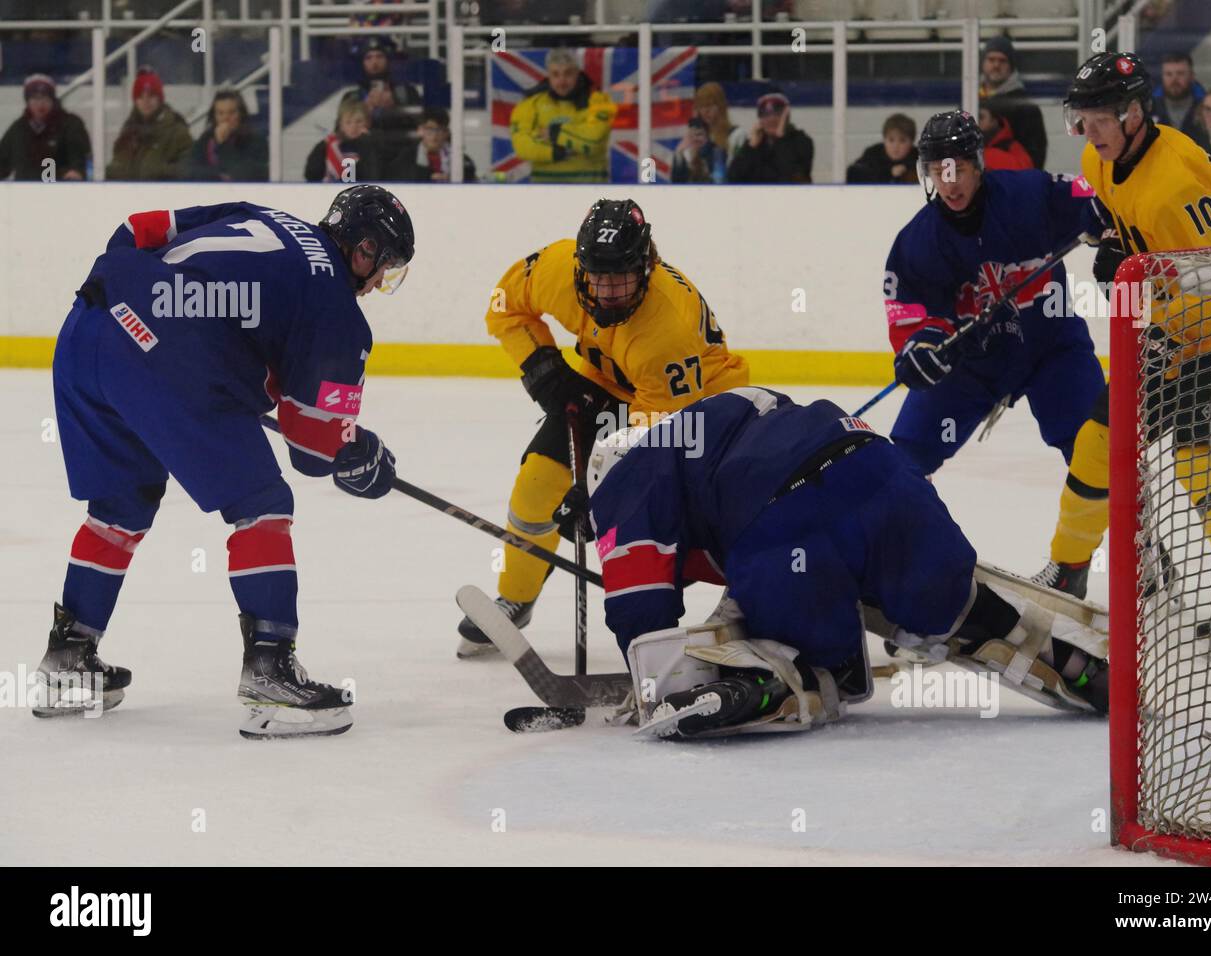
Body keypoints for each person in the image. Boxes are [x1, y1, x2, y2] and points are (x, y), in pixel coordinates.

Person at [38, 185, 415, 738]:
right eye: (385, 267)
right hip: (165, 357)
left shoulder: (262, 214)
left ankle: (67, 661)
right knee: (262, 504)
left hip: (87, 328)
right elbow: (311, 452)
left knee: (121, 503)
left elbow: (139, 228)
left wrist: (140, 309)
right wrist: (357, 454)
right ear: (363, 250)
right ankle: (271, 671)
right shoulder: (336, 306)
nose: (380, 282)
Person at [579, 388, 1109, 739]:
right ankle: (1079, 664)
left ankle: (766, 682)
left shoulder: (628, 478)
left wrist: (648, 678)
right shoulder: (724, 412)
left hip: (790, 525)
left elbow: (638, 603)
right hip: (884, 470)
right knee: (950, 606)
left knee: (815, 661)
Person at [1035, 53, 1211, 641]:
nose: (1087, 132)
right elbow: (1126, 226)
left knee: (1203, 461)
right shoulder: (1100, 161)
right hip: (1174, 332)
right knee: (1098, 442)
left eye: (1097, 119)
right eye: (1081, 119)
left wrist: (1138, 281)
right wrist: (1114, 242)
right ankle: (1069, 570)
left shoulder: (1175, 183)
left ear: (1132, 113)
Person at [455, 199, 750, 658]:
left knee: (677, 518)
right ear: (579, 267)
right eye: (598, 277)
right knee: (536, 485)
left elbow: (657, 440)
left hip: (696, 411)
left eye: (622, 278)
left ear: (647, 268)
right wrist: (540, 363)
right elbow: (503, 304)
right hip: (609, 385)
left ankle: (747, 598)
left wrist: (598, 494)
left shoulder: (665, 329)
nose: (608, 291)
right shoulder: (556, 268)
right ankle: (517, 595)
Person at [884, 110, 1106, 482]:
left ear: (978, 165)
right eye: (940, 172)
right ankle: (897, 539)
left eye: (958, 169)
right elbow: (911, 312)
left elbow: (1092, 194)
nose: (950, 184)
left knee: (1096, 448)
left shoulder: (1029, 196)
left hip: (1052, 350)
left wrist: (1103, 210)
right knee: (904, 460)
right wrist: (920, 348)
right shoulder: (919, 243)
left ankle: (1139, 537)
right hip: (968, 361)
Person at [508, 48, 614, 183]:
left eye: (568, 74)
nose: (562, 81)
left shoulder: (599, 101)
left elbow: (594, 141)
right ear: (548, 76)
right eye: (555, 74)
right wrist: (559, 152)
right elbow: (522, 147)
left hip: (591, 188)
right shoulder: (530, 104)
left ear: (578, 73)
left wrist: (554, 133)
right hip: (544, 191)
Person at [352, 36, 422, 179]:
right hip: (365, 162)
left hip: (401, 157)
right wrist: (364, 112)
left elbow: (420, 127)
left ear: (388, 60)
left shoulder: (407, 92)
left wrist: (394, 108)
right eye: (369, 58)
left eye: (379, 56)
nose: (374, 62)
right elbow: (342, 133)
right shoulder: (353, 96)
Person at [106, 68, 193, 181]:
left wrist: (157, 171)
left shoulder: (177, 131)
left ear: (159, 99)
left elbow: (189, 169)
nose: (145, 101)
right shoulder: (127, 131)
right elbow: (116, 165)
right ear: (135, 101)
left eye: (151, 96)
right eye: (140, 97)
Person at [0, 73, 90, 181]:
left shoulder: (70, 125)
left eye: (45, 98)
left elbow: (79, 161)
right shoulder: (18, 129)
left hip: (62, 191)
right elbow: (3, 162)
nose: (40, 104)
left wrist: (76, 172)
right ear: (27, 102)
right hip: (25, 193)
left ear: (52, 100)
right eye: (35, 98)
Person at [979, 36, 1047, 169]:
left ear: (1011, 66)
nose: (996, 65)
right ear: (982, 63)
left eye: (1002, 60)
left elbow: (1035, 160)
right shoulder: (970, 97)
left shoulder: (1025, 107)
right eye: (991, 59)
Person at [726, 91, 814, 184]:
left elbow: (791, 176)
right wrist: (750, 147)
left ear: (786, 117)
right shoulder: (755, 144)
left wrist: (781, 138)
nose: (771, 119)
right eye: (765, 114)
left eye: (777, 113)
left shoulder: (802, 141)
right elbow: (733, 178)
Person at [187, 89, 269, 182]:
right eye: (220, 113)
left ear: (241, 114)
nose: (225, 118)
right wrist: (217, 176)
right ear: (214, 116)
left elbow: (244, 174)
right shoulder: (206, 139)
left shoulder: (256, 141)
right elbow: (190, 169)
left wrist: (223, 145)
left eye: (232, 112)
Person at [304, 97, 379, 183]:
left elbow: (373, 176)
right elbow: (311, 175)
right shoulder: (327, 146)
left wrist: (367, 142)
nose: (353, 127)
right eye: (348, 122)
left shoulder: (375, 145)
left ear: (368, 122)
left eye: (359, 121)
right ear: (341, 125)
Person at [396, 107, 477, 182]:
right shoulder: (407, 157)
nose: (434, 135)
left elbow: (470, 176)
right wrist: (428, 178)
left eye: (439, 129)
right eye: (430, 129)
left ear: (446, 133)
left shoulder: (458, 157)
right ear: (420, 130)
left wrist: (450, 178)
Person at [1151, 52, 1207, 144]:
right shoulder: (1149, 108)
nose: (1174, 79)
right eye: (1169, 74)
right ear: (1162, 77)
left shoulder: (1207, 108)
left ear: (1192, 76)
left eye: (1180, 73)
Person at [846, 113, 918, 184]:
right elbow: (853, 173)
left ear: (911, 142)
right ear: (884, 139)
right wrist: (888, 173)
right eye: (891, 140)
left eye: (902, 140)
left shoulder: (919, 158)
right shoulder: (873, 154)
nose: (896, 146)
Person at [978, 104, 1032, 171]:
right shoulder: (970, 143)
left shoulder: (1011, 146)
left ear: (994, 121)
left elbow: (1026, 172)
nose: (976, 122)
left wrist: (986, 155)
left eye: (980, 117)